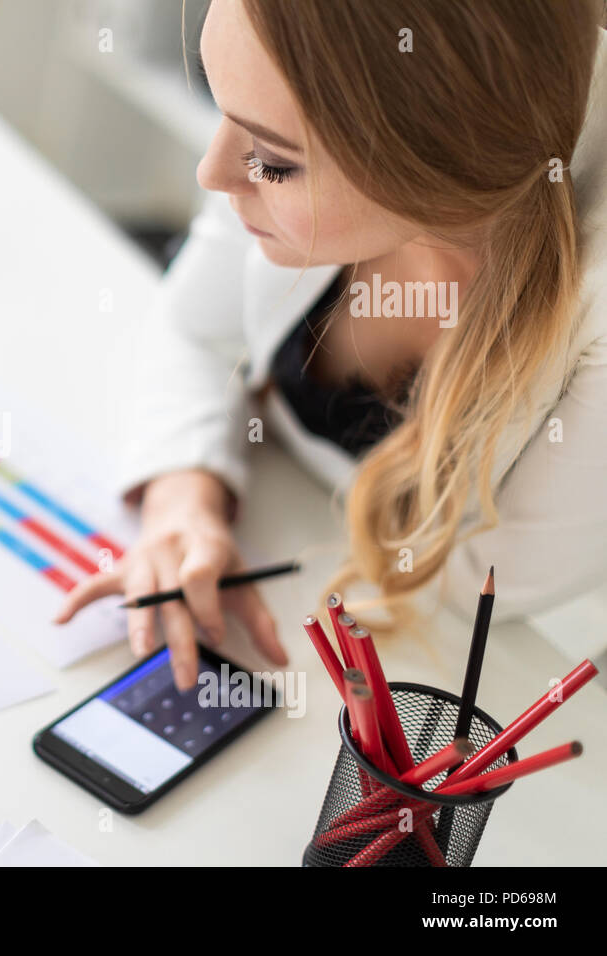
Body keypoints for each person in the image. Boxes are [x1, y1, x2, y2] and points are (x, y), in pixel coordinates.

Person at [57, 0, 607, 690]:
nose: (211, 172)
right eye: (223, 108)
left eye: (274, 162)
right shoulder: (299, 106)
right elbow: (197, 328)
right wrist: (184, 498)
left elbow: (480, 585)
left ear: (436, 175)